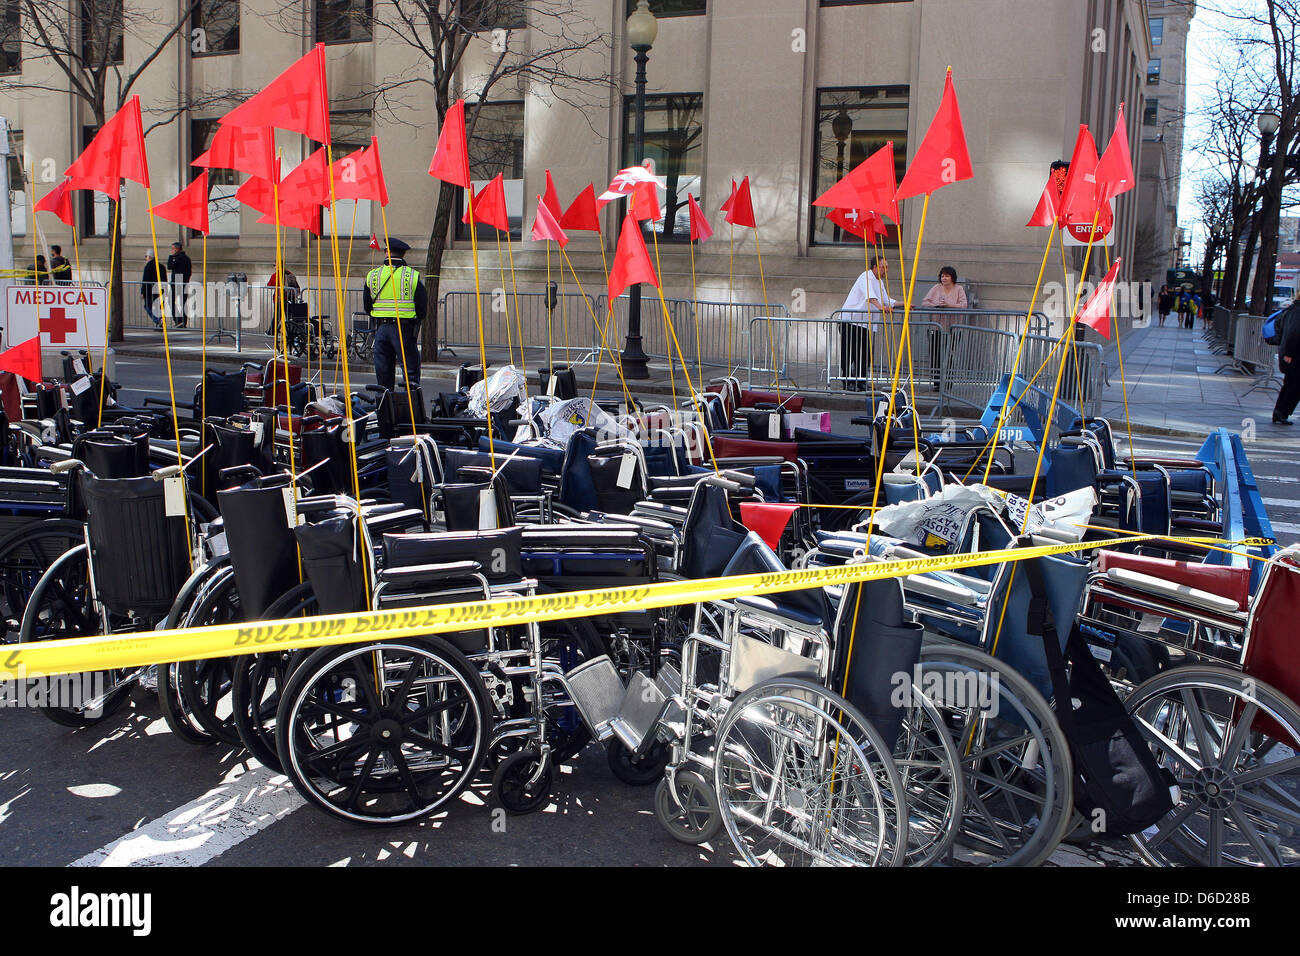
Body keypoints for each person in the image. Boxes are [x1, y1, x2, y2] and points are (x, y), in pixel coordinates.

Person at [364, 237, 427, 393]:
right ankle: (411, 411)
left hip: (381, 329)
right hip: (404, 330)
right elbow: (422, 307)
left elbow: (367, 306)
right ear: (403, 254)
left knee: (383, 377)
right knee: (410, 374)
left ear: (386, 252)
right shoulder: (412, 276)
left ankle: (386, 413)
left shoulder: (373, 275)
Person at [839, 256, 897, 391]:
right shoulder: (866, 277)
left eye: (887, 267)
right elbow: (870, 297)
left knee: (865, 353)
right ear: (875, 267)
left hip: (865, 322)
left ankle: (861, 380)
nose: (886, 270)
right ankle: (847, 381)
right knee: (850, 352)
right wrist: (881, 307)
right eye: (883, 267)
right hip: (851, 320)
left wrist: (903, 304)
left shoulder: (879, 282)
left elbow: (886, 299)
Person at [1272, 292, 1300, 425]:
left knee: (1289, 384)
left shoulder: (1291, 309)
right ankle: (1282, 412)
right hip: (1294, 355)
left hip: (1289, 352)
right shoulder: (1298, 312)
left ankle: (1279, 412)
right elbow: (1294, 333)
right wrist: (1289, 353)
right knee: (1294, 386)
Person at [264, 267, 301, 335]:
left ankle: (272, 331)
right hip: (290, 299)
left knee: (277, 316)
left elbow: (269, 285)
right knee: (290, 317)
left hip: (279, 299)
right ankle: (292, 332)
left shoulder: (276, 275)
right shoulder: (290, 274)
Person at [167, 241, 193, 328]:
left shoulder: (177, 258)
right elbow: (189, 272)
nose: (171, 251)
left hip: (178, 281)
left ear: (177, 249)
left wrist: (171, 256)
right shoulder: (187, 258)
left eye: (172, 249)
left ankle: (178, 320)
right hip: (184, 281)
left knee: (171, 301)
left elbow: (169, 266)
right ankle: (183, 321)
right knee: (183, 302)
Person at [142, 253, 167, 327]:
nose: (146, 258)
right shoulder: (161, 266)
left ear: (150, 257)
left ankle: (158, 320)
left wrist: (143, 292)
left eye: (146, 256)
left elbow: (145, 279)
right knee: (158, 307)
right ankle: (160, 322)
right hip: (160, 289)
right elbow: (164, 279)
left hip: (150, 290)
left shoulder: (148, 266)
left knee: (148, 306)